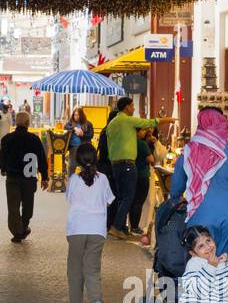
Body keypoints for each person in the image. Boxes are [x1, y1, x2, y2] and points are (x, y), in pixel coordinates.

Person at [169, 107, 228, 263]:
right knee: (227, 264)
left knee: (199, 266)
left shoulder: (189, 152)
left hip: (200, 217)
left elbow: (175, 190)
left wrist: (179, 200)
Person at [65, 143, 115, 303]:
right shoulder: (103, 179)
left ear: (78, 160)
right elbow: (109, 201)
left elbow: (70, 200)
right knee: (92, 269)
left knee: (75, 270)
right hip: (97, 229)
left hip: (77, 229)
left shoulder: (74, 180)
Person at [105, 97, 160, 240]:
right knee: (129, 196)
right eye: (132, 106)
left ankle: (121, 227)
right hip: (127, 163)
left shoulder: (112, 123)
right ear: (126, 107)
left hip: (115, 164)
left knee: (122, 196)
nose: (134, 108)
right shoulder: (127, 121)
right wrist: (166, 119)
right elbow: (149, 123)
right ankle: (117, 226)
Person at [0, 110, 45, 243]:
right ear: (27, 123)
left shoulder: (7, 139)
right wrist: (45, 177)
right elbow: (41, 159)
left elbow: (3, 157)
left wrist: (3, 169)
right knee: (28, 206)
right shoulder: (34, 139)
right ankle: (23, 228)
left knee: (13, 207)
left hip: (12, 177)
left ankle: (18, 231)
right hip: (29, 178)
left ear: (15, 123)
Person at [127, 126, 156, 237]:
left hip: (131, 174)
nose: (144, 132)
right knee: (139, 201)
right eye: (143, 130)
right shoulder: (142, 144)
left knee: (132, 200)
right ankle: (135, 226)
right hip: (142, 175)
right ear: (137, 132)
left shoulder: (129, 142)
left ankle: (131, 225)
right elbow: (151, 159)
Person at [66, 108, 94, 174]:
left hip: (84, 148)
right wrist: (74, 128)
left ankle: (84, 182)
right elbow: (66, 127)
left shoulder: (88, 124)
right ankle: (71, 182)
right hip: (73, 148)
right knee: (71, 167)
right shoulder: (70, 123)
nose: (76, 117)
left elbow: (91, 135)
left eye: (78, 115)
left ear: (81, 115)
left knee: (84, 167)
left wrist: (82, 134)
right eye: (75, 115)